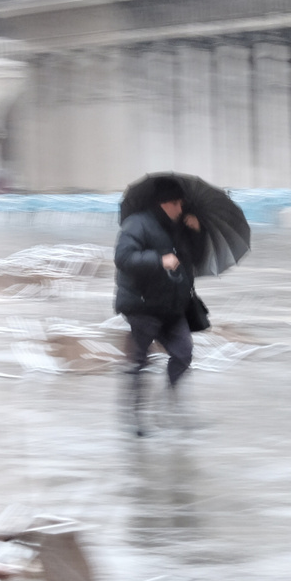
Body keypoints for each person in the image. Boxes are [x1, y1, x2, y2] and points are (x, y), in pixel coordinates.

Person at [114, 176, 203, 436]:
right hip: (142, 304)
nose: (182, 208)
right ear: (166, 203)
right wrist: (158, 259)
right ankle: (134, 417)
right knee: (139, 362)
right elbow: (123, 257)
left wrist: (195, 232)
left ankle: (167, 403)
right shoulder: (137, 224)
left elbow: (194, 259)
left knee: (184, 353)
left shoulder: (180, 226)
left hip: (172, 304)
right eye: (179, 204)